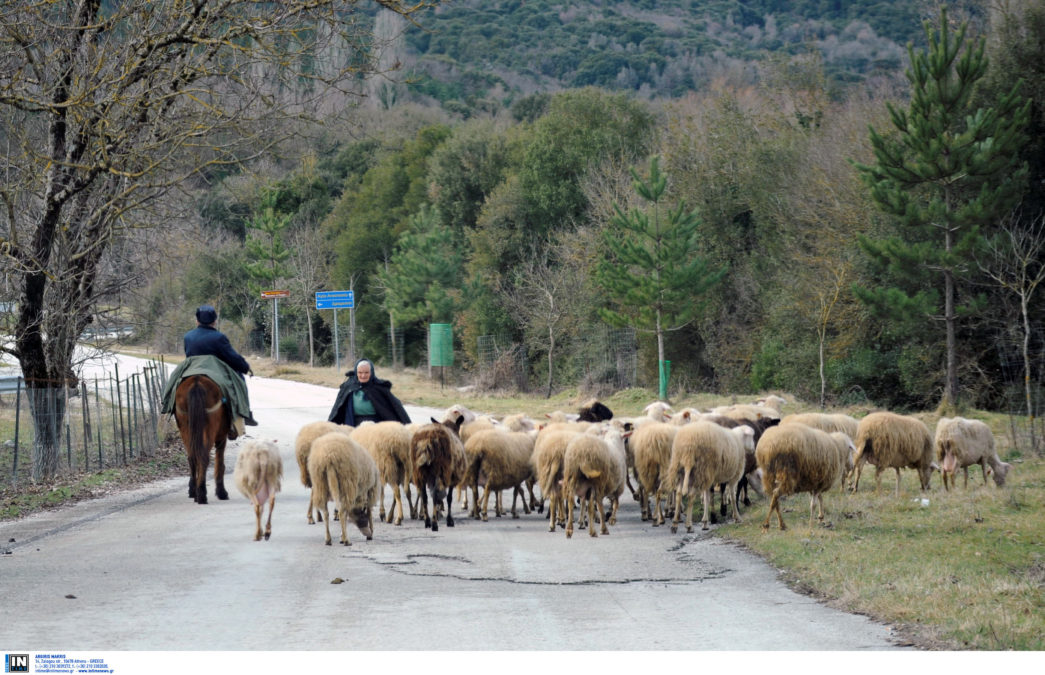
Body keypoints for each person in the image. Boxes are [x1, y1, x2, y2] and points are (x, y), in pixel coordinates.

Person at [183, 304, 258, 428]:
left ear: (197, 320)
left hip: (192, 368)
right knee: (239, 380)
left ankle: (169, 405)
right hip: (215, 370)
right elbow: (232, 357)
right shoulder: (219, 337)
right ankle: (246, 413)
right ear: (214, 321)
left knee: (174, 382)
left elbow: (188, 355)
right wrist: (244, 367)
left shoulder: (188, 337)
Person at [328, 358, 411, 426]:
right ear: (356, 373)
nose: (363, 375)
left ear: (371, 373)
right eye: (360, 373)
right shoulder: (349, 386)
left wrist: (407, 425)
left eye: (366, 372)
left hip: (376, 424)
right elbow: (337, 409)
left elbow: (396, 406)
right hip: (353, 422)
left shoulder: (379, 387)